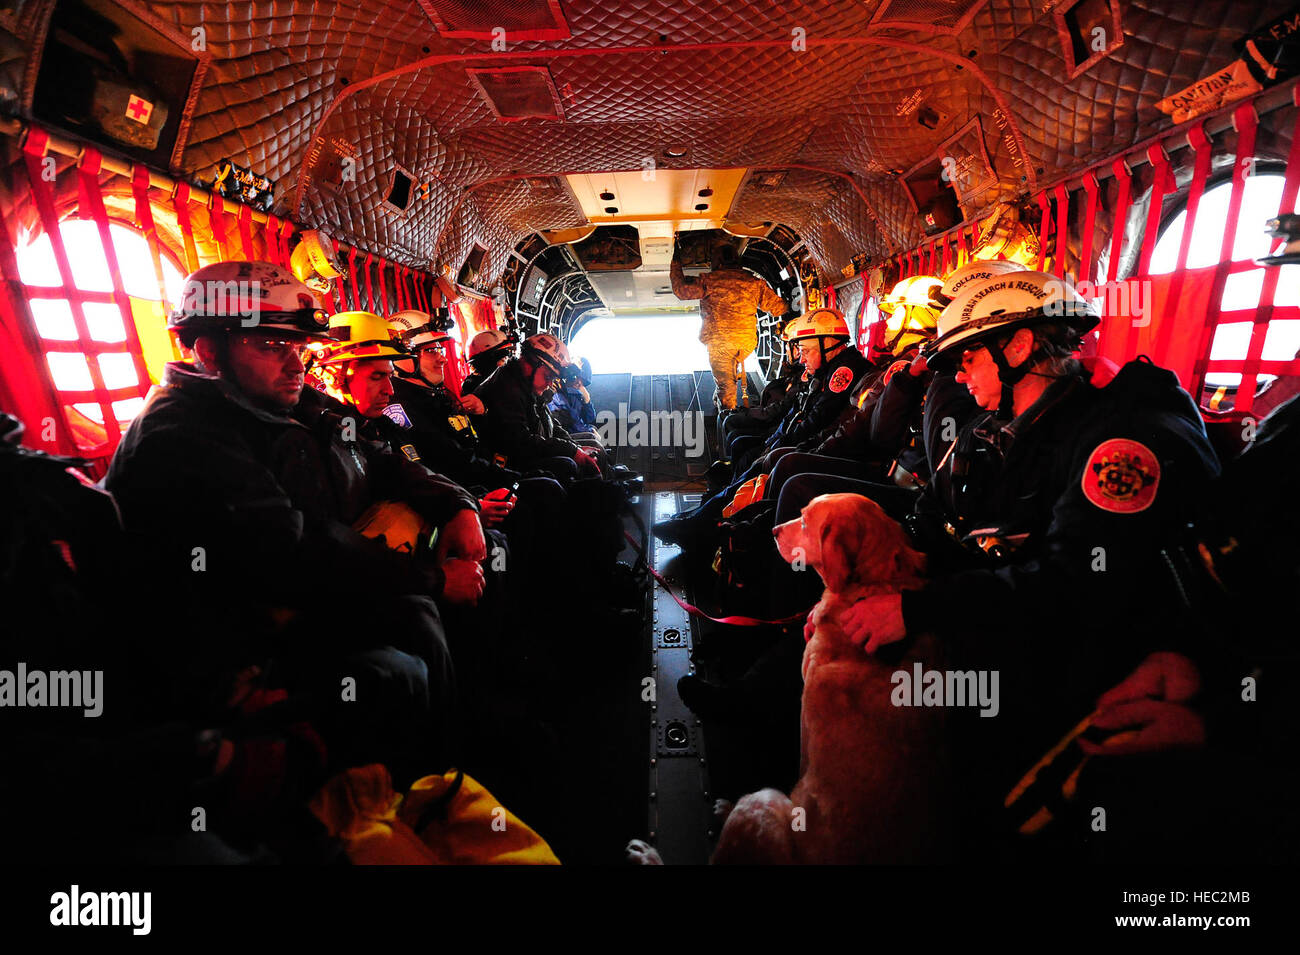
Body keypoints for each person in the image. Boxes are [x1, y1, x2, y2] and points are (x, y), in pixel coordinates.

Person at [105, 262, 482, 784]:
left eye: (299, 347)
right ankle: (424, 792)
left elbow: (377, 454)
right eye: (269, 344)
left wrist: (458, 504)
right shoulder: (179, 436)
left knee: (415, 612)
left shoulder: (279, 395)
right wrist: (437, 580)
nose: (293, 364)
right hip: (222, 652)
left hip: (279, 603)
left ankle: (453, 759)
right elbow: (296, 551)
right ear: (209, 350)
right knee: (403, 650)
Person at [670, 240, 789, 410]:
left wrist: (676, 262)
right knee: (727, 379)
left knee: (726, 388)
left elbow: (681, 290)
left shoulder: (709, 281)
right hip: (746, 343)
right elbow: (779, 308)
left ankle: (728, 417)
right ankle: (724, 405)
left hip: (721, 342)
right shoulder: (753, 283)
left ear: (716, 262)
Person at [473, 332, 600, 482]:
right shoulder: (506, 388)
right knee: (566, 466)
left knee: (583, 454)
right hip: (507, 462)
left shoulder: (525, 385)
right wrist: (572, 451)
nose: (549, 384)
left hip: (524, 452)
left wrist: (575, 448)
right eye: (548, 377)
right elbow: (520, 442)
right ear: (530, 363)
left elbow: (551, 425)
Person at [462, 328, 516, 395]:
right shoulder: (474, 387)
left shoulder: (503, 378)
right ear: (487, 359)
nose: (506, 358)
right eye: (503, 355)